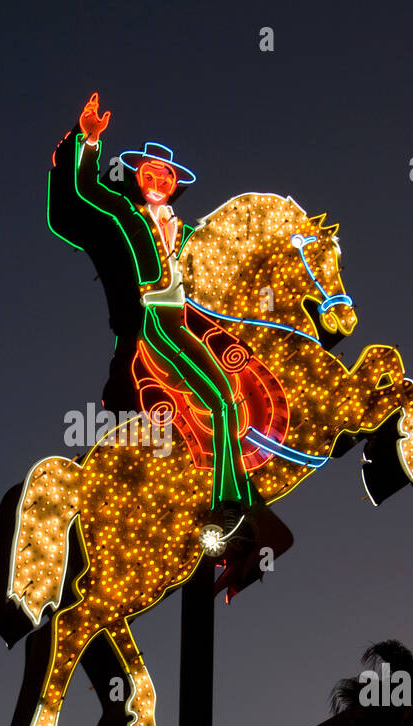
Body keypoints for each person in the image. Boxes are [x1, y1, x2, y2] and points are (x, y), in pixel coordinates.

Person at [47, 92, 255, 532]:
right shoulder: (127, 212)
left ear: (175, 183)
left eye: (166, 175)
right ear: (138, 175)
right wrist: (87, 142)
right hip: (157, 319)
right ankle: (230, 504)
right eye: (149, 172)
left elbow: (228, 254)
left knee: (228, 403)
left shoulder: (187, 230)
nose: (158, 179)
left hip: (185, 318)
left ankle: (234, 497)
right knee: (220, 400)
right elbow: (85, 189)